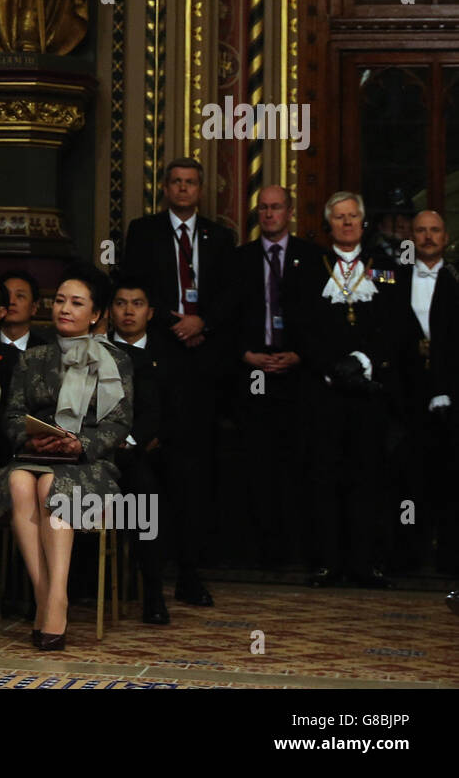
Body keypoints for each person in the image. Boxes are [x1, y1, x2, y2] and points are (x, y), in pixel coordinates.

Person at [0, 264, 134, 650]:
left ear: (95, 314)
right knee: (18, 479)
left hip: (87, 464)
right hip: (33, 455)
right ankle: (47, 594)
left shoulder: (113, 360)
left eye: (76, 303)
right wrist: (30, 439)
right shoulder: (32, 358)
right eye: (60, 300)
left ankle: (54, 599)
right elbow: (12, 414)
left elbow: (119, 422)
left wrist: (80, 444)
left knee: (51, 482)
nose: (64, 308)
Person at [120, 157, 236, 607]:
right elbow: (135, 288)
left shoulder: (220, 235)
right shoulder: (144, 231)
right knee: (151, 472)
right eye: (176, 182)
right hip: (159, 358)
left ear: (200, 189)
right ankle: (148, 577)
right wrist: (176, 321)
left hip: (203, 368)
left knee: (194, 476)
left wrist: (202, 321)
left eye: (191, 183)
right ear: (165, 188)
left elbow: (233, 291)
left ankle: (190, 572)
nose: (183, 189)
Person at [302, 192, 398, 588]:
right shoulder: (310, 267)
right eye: (339, 218)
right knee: (325, 478)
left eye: (353, 216)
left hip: (369, 392)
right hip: (326, 394)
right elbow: (302, 324)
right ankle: (328, 562)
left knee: (368, 478)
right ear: (330, 224)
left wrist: (363, 362)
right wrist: (331, 368)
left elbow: (394, 322)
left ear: (363, 222)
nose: (346, 223)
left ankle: (366, 562)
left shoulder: (384, 268)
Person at [230, 185, 322, 568]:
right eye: (263, 209)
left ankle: (296, 550)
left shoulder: (313, 258)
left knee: (297, 458)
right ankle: (259, 551)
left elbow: (323, 318)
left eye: (276, 208)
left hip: (298, 370)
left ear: (290, 211)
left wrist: (301, 354)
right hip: (254, 368)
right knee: (256, 459)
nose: (269, 214)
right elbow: (226, 317)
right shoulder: (240, 259)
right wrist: (245, 354)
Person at [388, 210, 459, 576]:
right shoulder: (393, 280)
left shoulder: (455, 279)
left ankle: (450, 558)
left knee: (450, 482)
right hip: (408, 399)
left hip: (451, 399)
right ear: (410, 237)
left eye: (435, 230)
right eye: (421, 231)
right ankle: (408, 557)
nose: (428, 237)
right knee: (408, 483)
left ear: (445, 237)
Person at [107, 275, 172, 623]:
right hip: (96, 449)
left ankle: (153, 591)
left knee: (146, 492)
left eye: (137, 304)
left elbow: (159, 409)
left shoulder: (164, 352)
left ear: (150, 312)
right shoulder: (95, 348)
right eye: (120, 303)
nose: (128, 311)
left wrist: (134, 441)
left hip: (142, 446)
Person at [0, 270, 55, 398]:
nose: (12, 302)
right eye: (7, 296)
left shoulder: (46, 352)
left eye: (20, 296)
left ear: (34, 307)